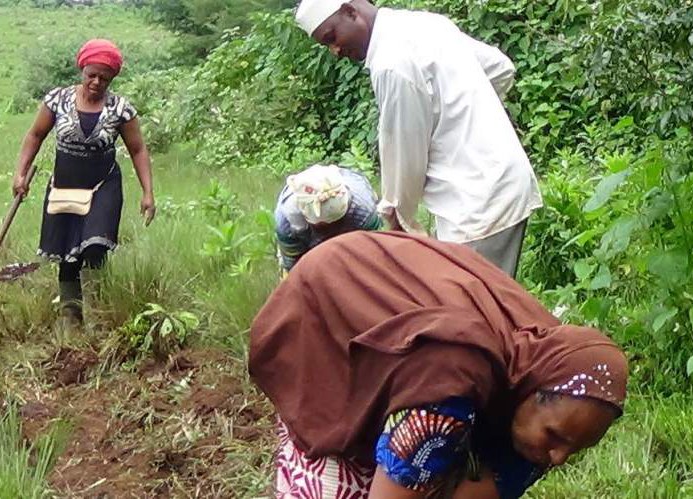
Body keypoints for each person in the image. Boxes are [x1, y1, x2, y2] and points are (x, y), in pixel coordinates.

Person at [250, 231, 628, 498]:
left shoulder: (550, 363)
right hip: (331, 301)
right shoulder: (445, 398)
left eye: (575, 450)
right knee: (342, 475)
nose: (559, 458)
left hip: (418, 322)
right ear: (535, 396)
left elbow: (490, 484)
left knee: (432, 468)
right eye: (556, 438)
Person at [294, 0, 543, 277]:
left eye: (332, 37)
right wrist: (466, 116)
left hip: (477, 201)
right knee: (490, 300)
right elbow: (500, 68)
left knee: (471, 310)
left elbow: (404, 151)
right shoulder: (424, 23)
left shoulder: (392, 62)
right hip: (500, 180)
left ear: (351, 12)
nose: (335, 51)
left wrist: (398, 216)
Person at [11, 39, 156, 331]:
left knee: (94, 245)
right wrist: (20, 173)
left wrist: (148, 192)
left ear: (112, 78)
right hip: (64, 185)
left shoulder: (121, 109)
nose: (96, 82)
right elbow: (34, 136)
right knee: (67, 251)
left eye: (104, 77)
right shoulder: (57, 100)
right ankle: (71, 317)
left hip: (103, 185)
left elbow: (138, 149)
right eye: (92, 74)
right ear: (82, 70)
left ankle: (102, 309)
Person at [274, 164, 381, 274]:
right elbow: (294, 268)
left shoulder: (364, 210)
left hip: (355, 234)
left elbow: (374, 254)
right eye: (322, 224)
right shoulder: (286, 221)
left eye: (336, 222)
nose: (328, 228)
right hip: (305, 242)